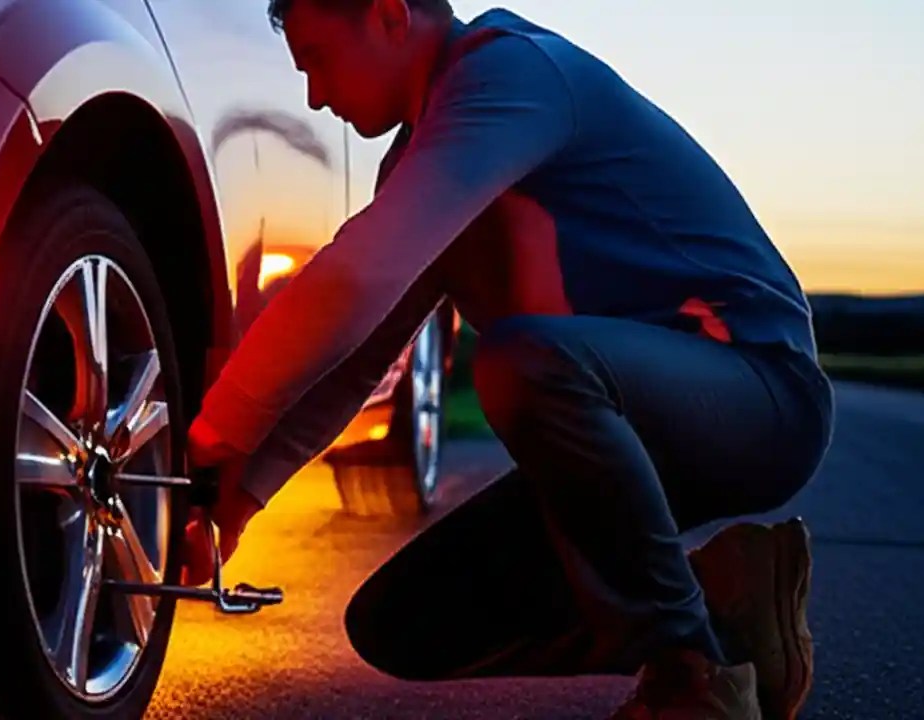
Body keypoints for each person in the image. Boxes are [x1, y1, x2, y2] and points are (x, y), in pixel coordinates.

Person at [180, 1, 835, 718]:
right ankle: (732, 620)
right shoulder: (431, 154)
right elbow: (355, 362)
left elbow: (357, 275)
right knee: (400, 624)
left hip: (759, 393)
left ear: (390, 16)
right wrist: (240, 498)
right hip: (622, 427)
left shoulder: (512, 73)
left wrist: (220, 426)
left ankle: (690, 675)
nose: (314, 93)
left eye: (317, 59)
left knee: (522, 360)